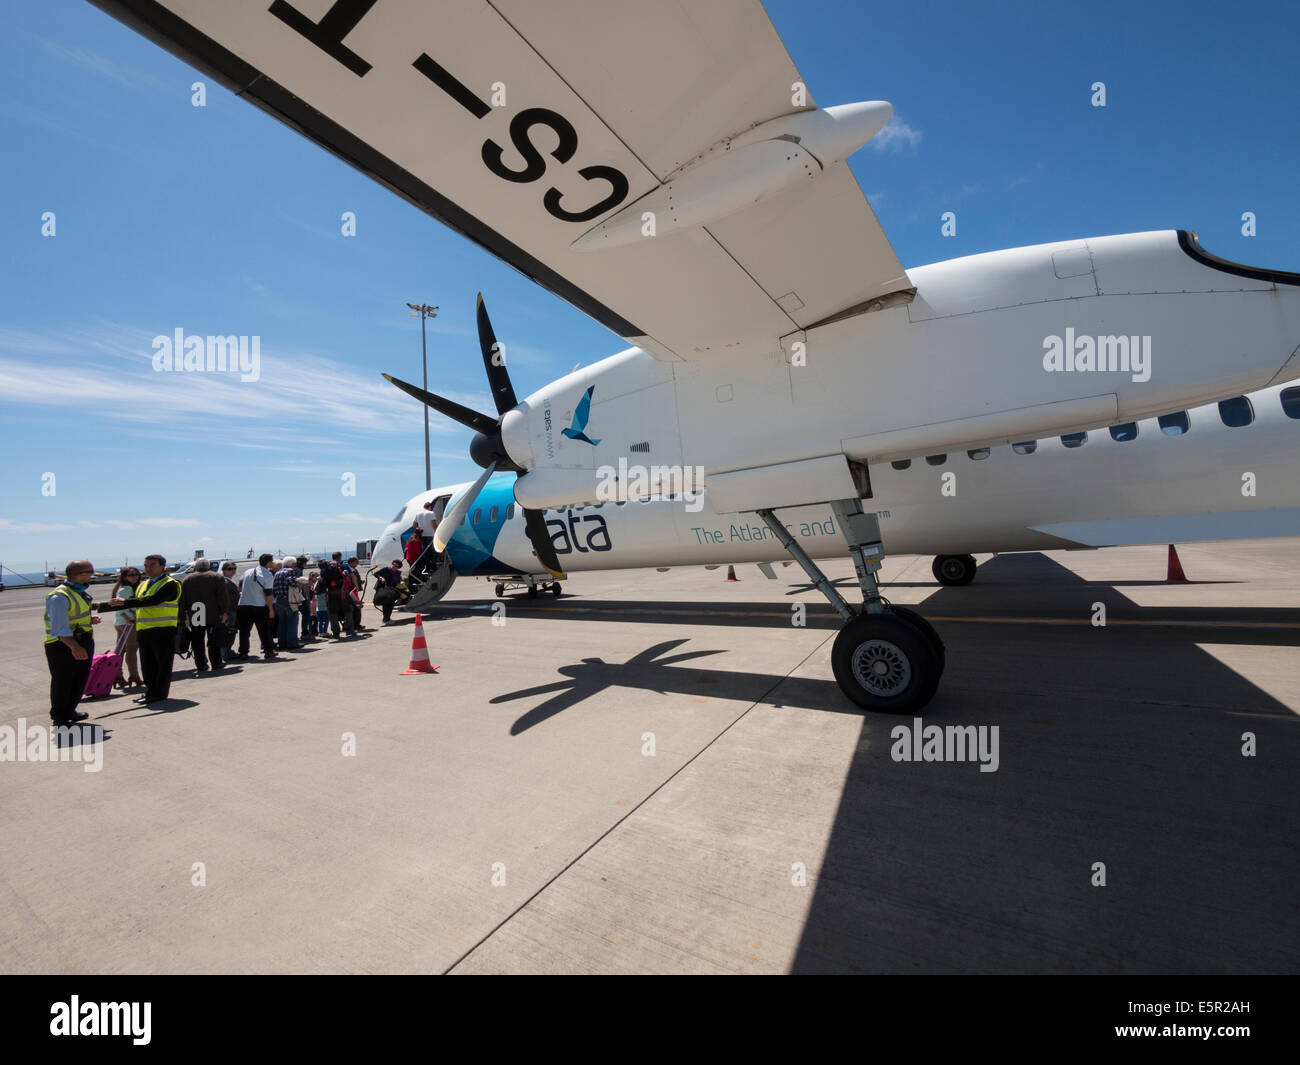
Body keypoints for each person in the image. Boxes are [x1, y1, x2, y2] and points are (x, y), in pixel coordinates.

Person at [110, 554, 181, 704]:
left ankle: (159, 693)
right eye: (146, 565)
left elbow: (152, 601)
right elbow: (140, 605)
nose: (148, 568)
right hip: (144, 629)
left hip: (163, 629)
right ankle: (150, 692)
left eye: (152, 565)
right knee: (147, 664)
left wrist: (125, 603)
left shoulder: (170, 583)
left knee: (162, 664)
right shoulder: (144, 584)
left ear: (162, 567)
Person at [43, 560, 103, 725]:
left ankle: (70, 710)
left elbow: (72, 616)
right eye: (90, 572)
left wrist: (89, 620)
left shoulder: (77, 591)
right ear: (80, 574)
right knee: (63, 680)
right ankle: (60, 716)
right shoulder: (59, 596)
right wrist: (74, 647)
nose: (92, 575)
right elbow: (59, 627)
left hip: (81, 640)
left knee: (79, 679)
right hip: (63, 645)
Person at [180, 558, 237, 673]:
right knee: (214, 640)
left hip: (196, 614)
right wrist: (224, 612)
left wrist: (181, 616)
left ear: (196, 566)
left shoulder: (187, 579)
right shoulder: (216, 577)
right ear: (208, 566)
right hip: (213, 614)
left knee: (197, 642)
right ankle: (216, 663)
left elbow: (182, 600)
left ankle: (201, 665)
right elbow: (223, 597)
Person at [236, 553, 277, 659]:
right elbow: (268, 595)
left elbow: (239, 588)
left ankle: (243, 652)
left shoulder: (247, 572)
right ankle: (268, 651)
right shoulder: (268, 575)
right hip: (259, 605)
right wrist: (271, 610)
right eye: (272, 561)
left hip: (244, 604)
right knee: (264, 630)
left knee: (244, 631)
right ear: (268, 563)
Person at [111, 566, 144, 688]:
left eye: (136, 574)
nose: (135, 577)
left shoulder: (127, 588)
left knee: (120, 649)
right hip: (127, 622)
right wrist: (126, 617)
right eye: (131, 575)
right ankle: (134, 675)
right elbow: (118, 604)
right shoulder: (126, 589)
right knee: (131, 649)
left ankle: (118, 675)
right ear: (124, 577)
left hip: (121, 622)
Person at [318, 552, 352, 638]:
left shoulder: (327, 566)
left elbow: (322, 580)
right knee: (347, 610)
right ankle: (349, 629)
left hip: (330, 591)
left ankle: (336, 633)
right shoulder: (342, 565)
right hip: (342, 590)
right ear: (340, 557)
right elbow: (349, 576)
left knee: (333, 613)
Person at [273, 555, 303, 651]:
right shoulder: (289, 571)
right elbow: (292, 583)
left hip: (279, 600)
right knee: (292, 621)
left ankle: (282, 643)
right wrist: (300, 582)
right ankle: (292, 643)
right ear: (292, 564)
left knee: (282, 622)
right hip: (288, 600)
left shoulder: (277, 573)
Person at [409, 502, 439, 583]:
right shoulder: (431, 513)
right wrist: (437, 531)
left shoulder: (418, 514)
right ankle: (433, 567)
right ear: (429, 507)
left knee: (425, 552)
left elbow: (414, 524)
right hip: (431, 535)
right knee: (434, 552)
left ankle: (428, 567)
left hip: (422, 535)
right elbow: (434, 523)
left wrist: (419, 529)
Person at [218, 562, 240, 662]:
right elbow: (224, 598)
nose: (233, 571)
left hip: (231, 610)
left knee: (230, 631)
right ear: (223, 570)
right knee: (228, 632)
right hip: (229, 611)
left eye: (234, 568)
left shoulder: (228, 581)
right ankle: (225, 653)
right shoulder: (225, 582)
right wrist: (225, 612)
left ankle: (226, 651)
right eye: (230, 569)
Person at [371, 558, 404, 624]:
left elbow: (398, 582)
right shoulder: (386, 569)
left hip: (390, 590)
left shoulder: (397, 573)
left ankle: (387, 619)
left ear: (398, 568)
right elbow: (376, 574)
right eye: (393, 564)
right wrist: (380, 578)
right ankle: (386, 619)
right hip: (383, 589)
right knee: (386, 604)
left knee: (390, 604)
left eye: (396, 566)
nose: (393, 566)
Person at [295, 556, 314, 642]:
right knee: (306, 614)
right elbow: (298, 583)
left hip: (296, 596)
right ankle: (305, 633)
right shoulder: (298, 570)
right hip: (301, 596)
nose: (306, 564)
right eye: (305, 563)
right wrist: (307, 584)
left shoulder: (295, 569)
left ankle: (303, 633)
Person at [346, 555, 367, 631]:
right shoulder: (350, 570)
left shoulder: (352, 570)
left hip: (353, 591)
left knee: (355, 607)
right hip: (352, 592)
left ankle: (354, 624)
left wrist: (360, 582)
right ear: (352, 562)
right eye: (356, 562)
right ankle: (356, 625)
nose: (357, 564)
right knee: (357, 607)